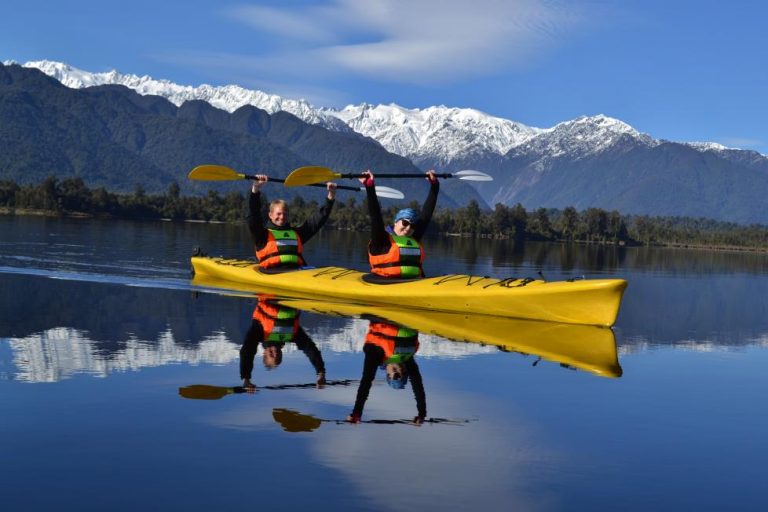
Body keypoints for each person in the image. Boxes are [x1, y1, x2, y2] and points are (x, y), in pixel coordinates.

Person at [359, 169, 439, 278]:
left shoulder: (413, 238)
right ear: (396, 222)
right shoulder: (381, 239)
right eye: (405, 223)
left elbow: (426, 215)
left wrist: (434, 185)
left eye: (412, 225)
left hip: (413, 284)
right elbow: (375, 216)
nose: (408, 228)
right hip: (384, 284)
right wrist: (369, 187)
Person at [346, 318, 427, 424]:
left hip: (385, 320)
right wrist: (422, 413)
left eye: (396, 376)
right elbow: (417, 385)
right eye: (403, 374)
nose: (400, 371)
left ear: (388, 374)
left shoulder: (376, 354)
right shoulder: (407, 359)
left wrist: (357, 412)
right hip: (405, 322)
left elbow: (366, 382)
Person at [248, 175, 337, 270]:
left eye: (285, 214)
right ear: (270, 215)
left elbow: (318, 220)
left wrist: (331, 195)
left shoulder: (296, 234)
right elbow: (253, 216)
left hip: (297, 272)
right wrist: (255, 189)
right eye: (278, 214)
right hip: (272, 273)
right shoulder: (262, 235)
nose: (282, 217)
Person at [240, 296, 326, 391]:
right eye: (278, 356)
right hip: (291, 299)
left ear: (264, 352)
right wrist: (320, 372)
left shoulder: (259, 332)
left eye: (271, 355)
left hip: (269, 296)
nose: (276, 353)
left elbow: (247, 351)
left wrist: (246, 378)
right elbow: (310, 349)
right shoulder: (291, 335)